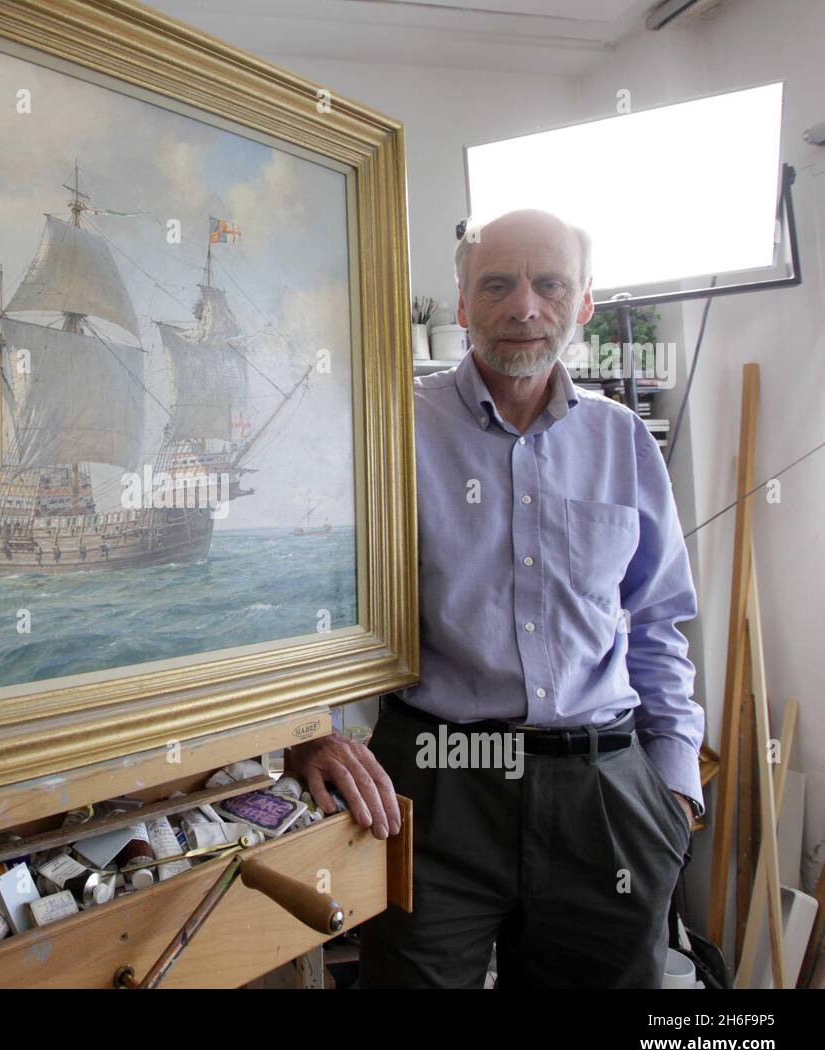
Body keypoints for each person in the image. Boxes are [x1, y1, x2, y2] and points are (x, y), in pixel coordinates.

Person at [288, 209, 703, 989]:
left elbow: (655, 622)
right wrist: (307, 735)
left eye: (550, 284)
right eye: (498, 285)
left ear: (583, 303)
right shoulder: (387, 435)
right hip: (433, 787)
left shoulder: (623, 441)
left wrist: (674, 788)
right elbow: (314, 611)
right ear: (461, 303)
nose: (523, 307)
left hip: (605, 793)